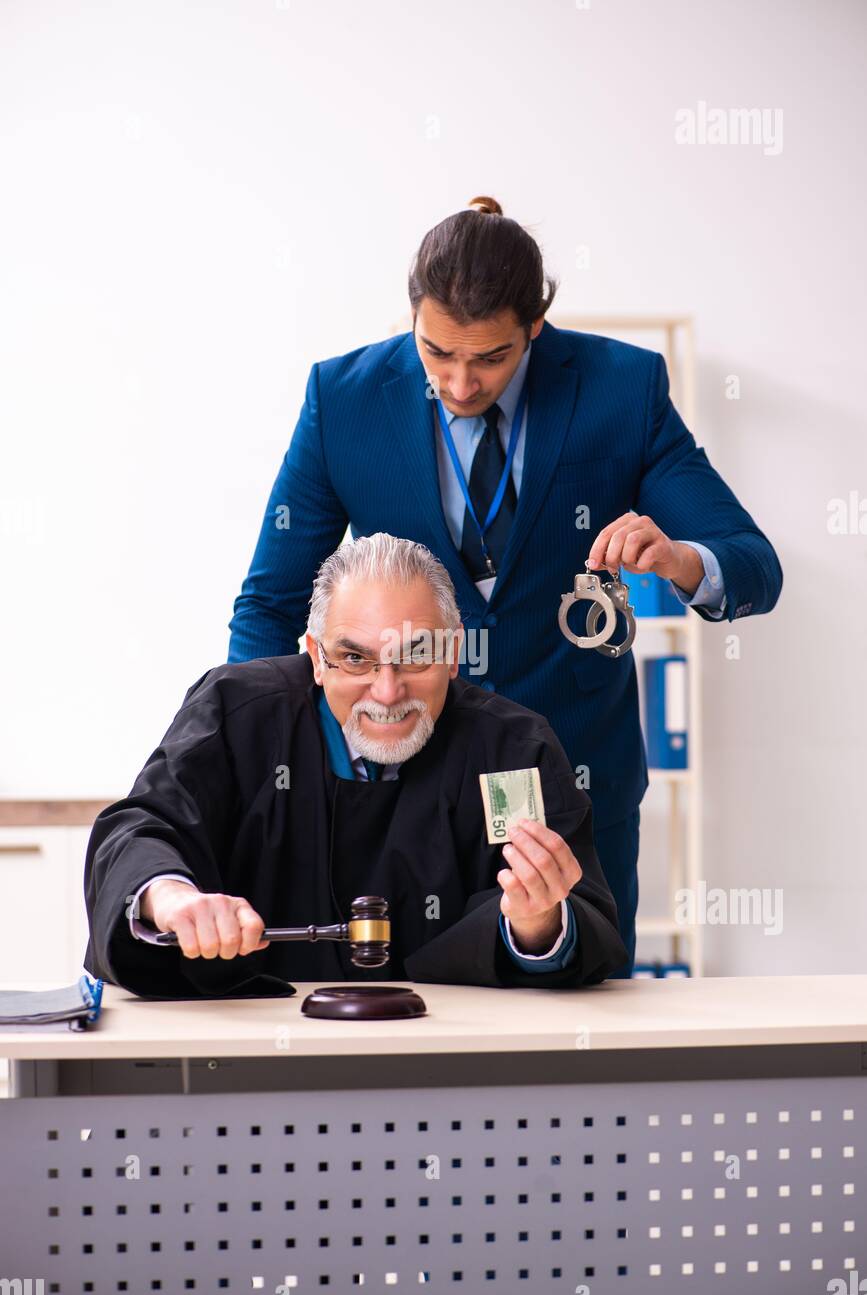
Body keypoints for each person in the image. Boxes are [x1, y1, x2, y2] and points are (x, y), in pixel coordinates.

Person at [226, 196, 783, 976]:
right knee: (402, 1014)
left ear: (535, 327)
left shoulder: (620, 388)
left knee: (578, 1010)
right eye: (436, 353)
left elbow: (753, 565)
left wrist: (682, 559)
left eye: (489, 358)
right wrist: (260, 755)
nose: (458, 383)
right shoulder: (344, 400)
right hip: (398, 788)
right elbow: (269, 605)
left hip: (574, 783)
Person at [83, 534, 627, 1000]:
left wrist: (535, 925)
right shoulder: (236, 712)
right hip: (247, 1057)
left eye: (416, 655)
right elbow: (139, 829)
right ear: (317, 657)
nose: (387, 692)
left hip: (450, 1067)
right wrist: (171, 897)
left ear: (455, 651)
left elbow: (580, 915)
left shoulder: (511, 750)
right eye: (355, 658)